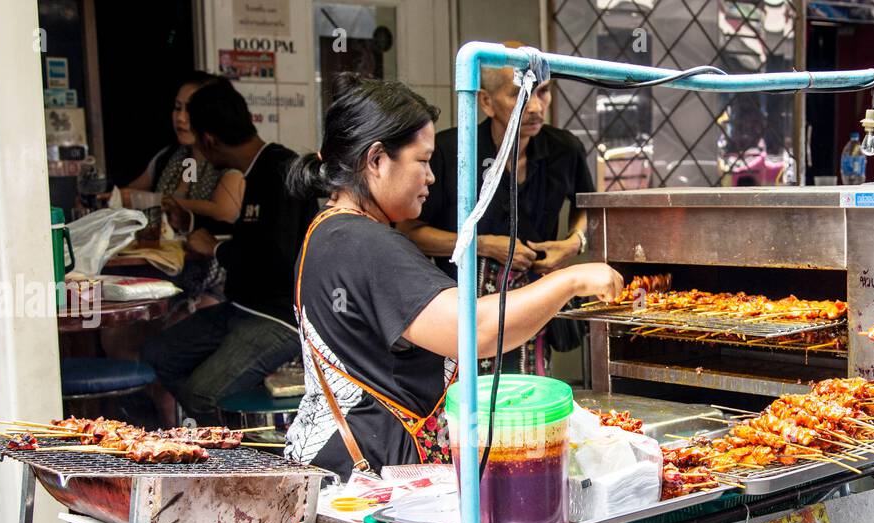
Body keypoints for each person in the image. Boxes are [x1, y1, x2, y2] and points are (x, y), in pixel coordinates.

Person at [284, 74, 623, 480]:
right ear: (376, 161)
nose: (431, 177)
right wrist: (569, 281)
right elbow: (475, 331)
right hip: (369, 476)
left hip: (336, 460)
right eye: (422, 161)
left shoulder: (327, 231)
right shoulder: (364, 243)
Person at [397, 45, 595, 373]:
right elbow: (409, 232)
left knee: (527, 405)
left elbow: (586, 206)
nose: (535, 107)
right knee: (464, 408)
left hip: (534, 308)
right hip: (461, 311)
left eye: (543, 93)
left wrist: (574, 242)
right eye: (518, 94)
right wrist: (485, 244)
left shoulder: (565, 148)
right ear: (486, 102)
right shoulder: (450, 151)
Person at [141, 79, 319, 423]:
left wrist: (217, 250)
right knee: (157, 352)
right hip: (239, 307)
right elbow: (255, 236)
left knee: (203, 393)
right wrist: (192, 222)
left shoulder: (279, 170)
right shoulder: (254, 172)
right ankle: (227, 427)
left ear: (208, 140)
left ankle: (237, 456)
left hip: (277, 317)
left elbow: (278, 258)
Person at [115, 72, 243, 303]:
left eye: (191, 110)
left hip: (211, 281)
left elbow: (225, 212)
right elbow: (129, 195)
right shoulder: (176, 158)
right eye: (177, 108)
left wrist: (167, 203)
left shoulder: (228, 160)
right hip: (163, 268)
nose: (181, 118)